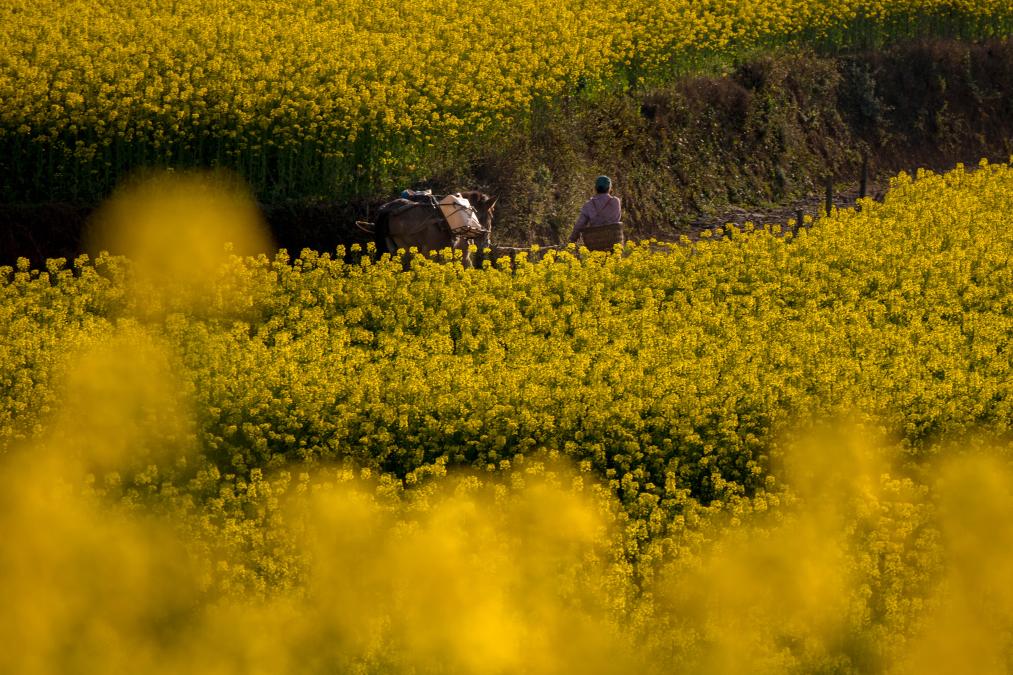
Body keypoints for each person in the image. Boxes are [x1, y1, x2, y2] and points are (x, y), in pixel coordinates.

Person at [569, 175, 621, 244]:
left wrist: (572, 239)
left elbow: (580, 224)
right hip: (614, 240)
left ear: (595, 188)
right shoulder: (615, 201)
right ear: (609, 188)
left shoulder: (588, 204)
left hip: (595, 243)